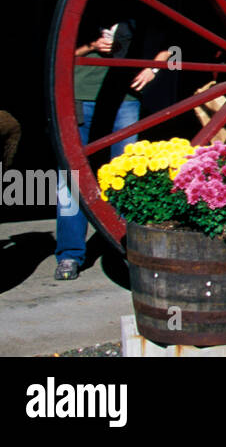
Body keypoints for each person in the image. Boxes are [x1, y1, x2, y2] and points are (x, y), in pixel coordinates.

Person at [55, 21, 170, 280]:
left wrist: (153, 69)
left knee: (125, 175)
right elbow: (58, 54)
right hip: (83, 97)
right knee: (72, 178)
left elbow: (172, 47)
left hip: (124, 101)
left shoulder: (139, 10)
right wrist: (92, 45)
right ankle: (69, 254)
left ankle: (121, 246)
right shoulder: (87, 9)